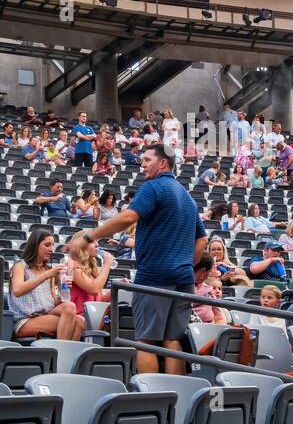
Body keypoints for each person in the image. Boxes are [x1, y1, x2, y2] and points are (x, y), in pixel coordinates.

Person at [84, 143, 207, 375]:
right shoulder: (187, 197)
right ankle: (177, 397)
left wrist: (91, 235)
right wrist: (186, 263)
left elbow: (129, 216)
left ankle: (149, 396)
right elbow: (202, 240)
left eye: (147, 160)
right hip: (183, 277)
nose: (142, 165)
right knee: (173, 340)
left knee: (146, 340)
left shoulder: (152, 187)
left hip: (155, 274)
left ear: (162, 163)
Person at [7, 226, 86, 341]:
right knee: (70, 322)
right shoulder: (20, 266)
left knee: (77, 317)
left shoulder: (48, 270)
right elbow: (18, 290)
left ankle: (67, 354)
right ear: (35, 245)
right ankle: (62, 353)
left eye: (52, 245)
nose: (51, 249)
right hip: (24, 319)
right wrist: (46, 275)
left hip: (45, 314)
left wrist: (62, 290)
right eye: (47, 245)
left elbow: (53, 302)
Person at [65, 231, 114, 311]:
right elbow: (94, 289)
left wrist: (117, 288)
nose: (97, 245)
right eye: (92, 241)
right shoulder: (72, 266)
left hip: (92, 316)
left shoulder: (91, 269)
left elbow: (99, 300)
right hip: (78, 318)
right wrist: (107, 264)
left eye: (97, 241)